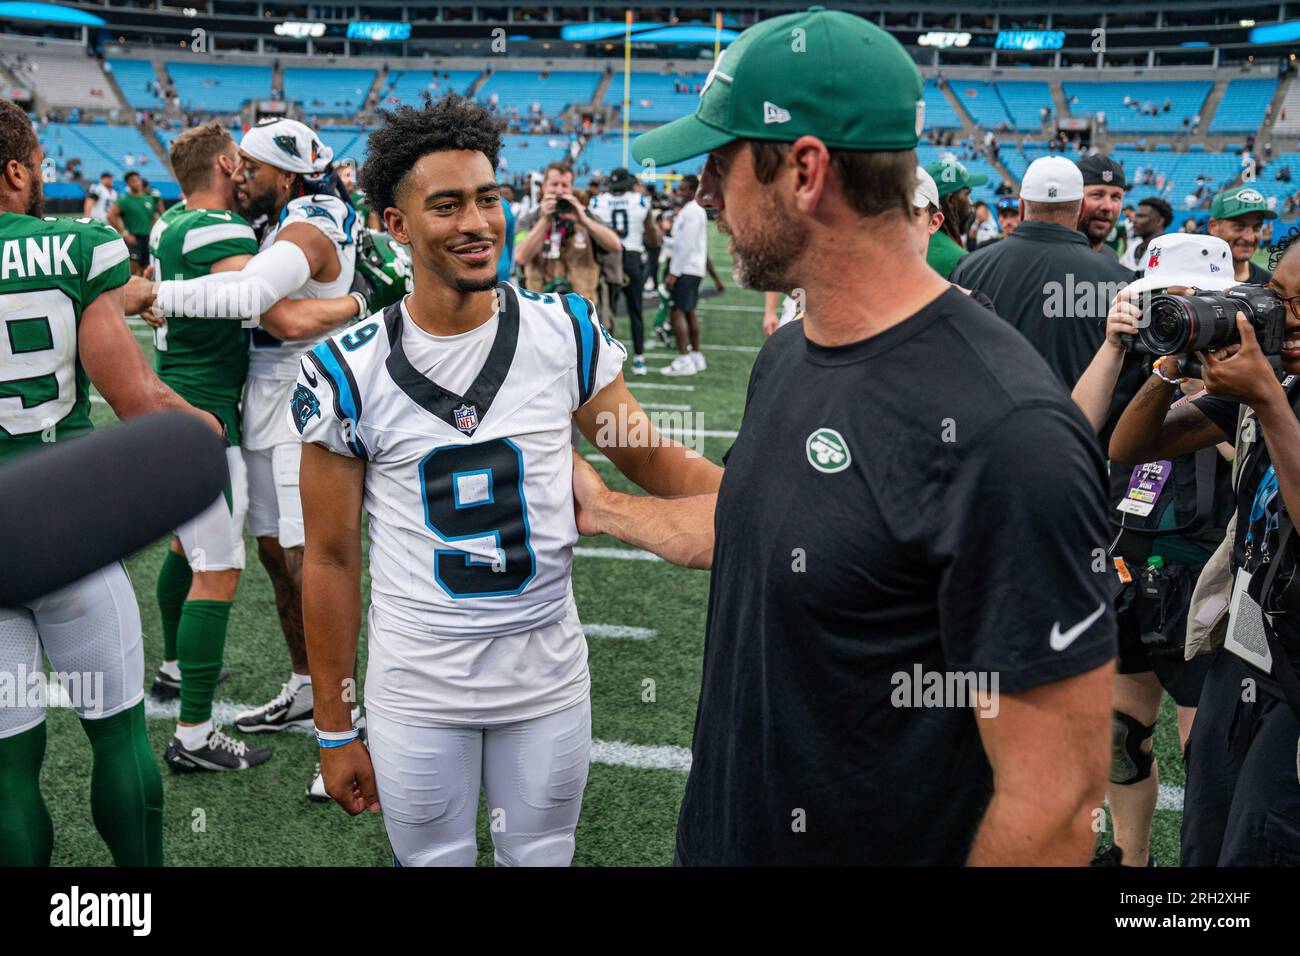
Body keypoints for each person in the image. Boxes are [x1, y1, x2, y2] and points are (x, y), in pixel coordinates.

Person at [575, 9, 1116, 866]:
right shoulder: (790, 354)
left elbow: (1054, 803)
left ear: (804, 169)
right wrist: (604, 508)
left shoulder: (1009, 433)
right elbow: (762, 529)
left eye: (720, 163)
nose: (706, 193)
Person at [294, 93, 721, 865]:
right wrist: (334, 724)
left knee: (544, 857)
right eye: (447, 205)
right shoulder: (348, 369)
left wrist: (774, 495)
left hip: (546, 678)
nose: (477, 223)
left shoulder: (562, 332)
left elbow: (653, 458)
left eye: (488, 198)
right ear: (396, 225)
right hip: (418, 686)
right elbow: (328, 557)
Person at [0, 97, 220, 866]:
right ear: (17, 170)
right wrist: (205, 433)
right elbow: (138, 400)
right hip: (66, 525)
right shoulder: (75, 246)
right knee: (116, 732)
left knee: (7, 769)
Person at [139, 118, 364, 784]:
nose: (242, 179)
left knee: (311, 566)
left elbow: (261, 302)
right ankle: (303, 688)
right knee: (275, 559)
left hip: (304, 405)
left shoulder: (309, 220)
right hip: (263, 404)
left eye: (253, 171)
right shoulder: (284, 215)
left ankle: (342, 725)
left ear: (285, 175)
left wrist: (153, 293)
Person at [1108, 238, 1300, 866]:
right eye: (1280, 299)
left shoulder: (1275, 392)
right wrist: (1169, 363)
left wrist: (1268, 399)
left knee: (1262, 842)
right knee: (1207, 835)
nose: (1287, 317)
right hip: (1247, 646)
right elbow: (1131, 445)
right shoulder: (1279, 380)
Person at [1071, 234, 1238, 866]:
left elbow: (1263, 455)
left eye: (1193, 301)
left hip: (1209, 575)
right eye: (1163, 300)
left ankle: (1204, 872)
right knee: (1120, 735)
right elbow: (1075, 429)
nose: (1178, 314)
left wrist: (1213, 380)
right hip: (1129, 563)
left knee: (1210, 750)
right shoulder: (1141, 355)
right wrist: (1116, 347)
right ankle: (1130, 863)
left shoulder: (1248, 364)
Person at [951, 156, 1138, 435]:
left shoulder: (969, 268)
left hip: (988, 441)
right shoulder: (1122, 283)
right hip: (1077, 445)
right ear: (1081, 208)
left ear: (1023, 206)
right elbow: (1127, 386)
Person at [514, 161, 620, 301]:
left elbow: (615, 245)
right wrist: (545, 219)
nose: (559, 191)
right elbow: (521, 257)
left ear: (572, 189)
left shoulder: (586, 216)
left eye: (564, 185)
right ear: (544, 187)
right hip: (540, 307)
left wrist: (584, 220)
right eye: (554, 184)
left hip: (582, 307)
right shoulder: (528, 220)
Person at [589, 167, 657, 375]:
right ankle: (639, 360)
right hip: (632, 257)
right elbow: (652, 233)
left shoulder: (597, 202)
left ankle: (603, 360)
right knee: (636, 310)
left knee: (606, 310)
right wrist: (654, 246)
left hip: (608, 258)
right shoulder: (641, 200)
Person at [661, 175, 708, 376]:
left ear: (692, 190)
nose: (679, 193)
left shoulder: (692, 212)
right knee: (689, 312)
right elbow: (680, 242)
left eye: (682, 189)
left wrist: (674, 273)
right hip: (692, 268)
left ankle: (684, 359)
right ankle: (696, 355)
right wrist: (663, 238)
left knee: (676, 312)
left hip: (686, 269)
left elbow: (685, 245)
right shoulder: (692, 211)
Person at [924, 158, 985, 278]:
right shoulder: (958, 259)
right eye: (967, 195)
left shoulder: (913, 241)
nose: (971, 203)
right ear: (951, 201)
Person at [1207, 185, 1276, 284]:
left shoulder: (1269, 285)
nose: (1250, 238)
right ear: (1213, 227)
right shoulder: (1187, 281)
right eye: (1239, 226)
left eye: (1257, 227)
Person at [107, 170, 159, 276]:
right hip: (134, 239)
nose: (136, 183)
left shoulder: (149, 199)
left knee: (147, 270)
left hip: (148, 239)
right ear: (128, 183)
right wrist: (125, 234)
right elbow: (111, 216)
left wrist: (154, 233)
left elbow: (153, 217)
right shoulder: (124, 200)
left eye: (138, 180)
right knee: (132, 270)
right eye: (133, 181)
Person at [1076, 154, 1127, 259]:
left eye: (1115, 197)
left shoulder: (1111, 257)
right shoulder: (1053, 257)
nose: (1107, 206)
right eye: (1097, 195)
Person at [1119, 198, 1173, 273]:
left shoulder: (1171, 249)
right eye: (1135, 216)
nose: (1134, 221)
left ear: (1159, 221)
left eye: (1141, 216)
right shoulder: (1133, 247)